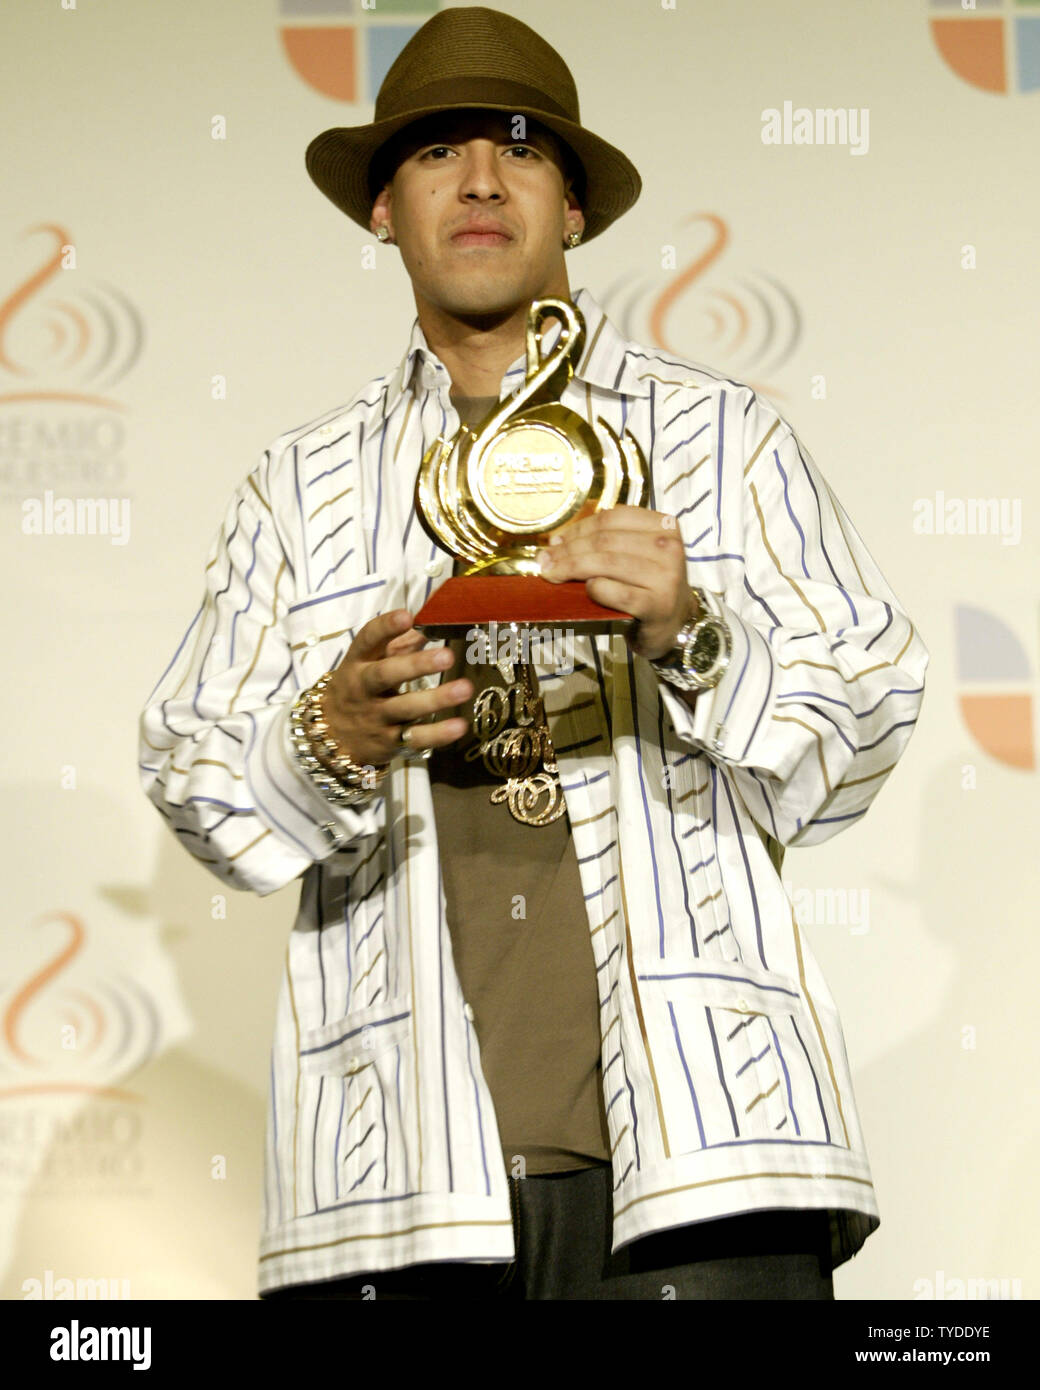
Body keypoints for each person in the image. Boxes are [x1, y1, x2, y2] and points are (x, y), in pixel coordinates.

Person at [138, 6, 928, 1300]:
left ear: (578, 208)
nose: (484, 179)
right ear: (382, 207)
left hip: (703, 1159)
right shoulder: (295, 484)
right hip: (401, 1182)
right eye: (441, 149)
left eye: (521, 148)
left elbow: (869, 714)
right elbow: (190, 767)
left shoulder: (723, 443)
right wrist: (326, 732)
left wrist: (694, 631)